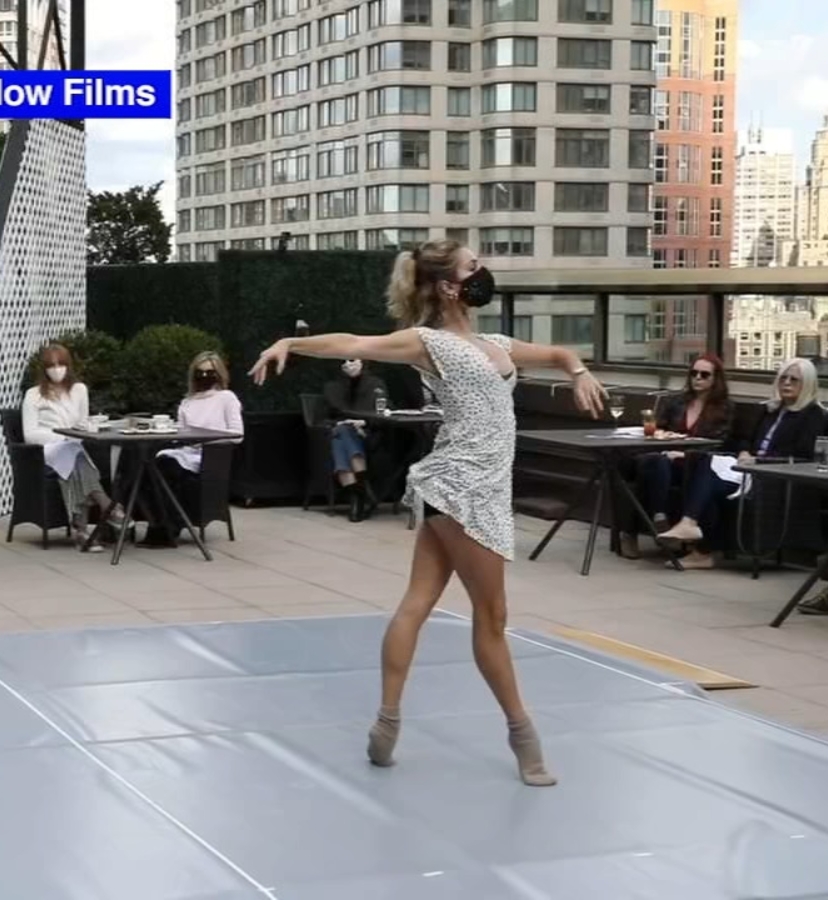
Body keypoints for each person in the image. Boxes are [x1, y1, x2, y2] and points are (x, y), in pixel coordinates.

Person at [249, 239, 607, 787]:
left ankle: (387, 724)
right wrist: (289, 342)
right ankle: (523, 737)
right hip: (463, 484)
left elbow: (559, 355)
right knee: (492, 619)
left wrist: (579, 370)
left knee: (418, 602)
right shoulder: (428, 342)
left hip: (474, 485)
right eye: (472, 266)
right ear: (447, 285)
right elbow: (354, 342)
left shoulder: (494, 342)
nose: (482, 272)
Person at [655, 358, 826, 569]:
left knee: (706, 477)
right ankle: (700, 547)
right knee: (702, 466)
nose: (786, 384)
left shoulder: (813, 415)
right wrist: (745, 451)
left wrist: (759, 460)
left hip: (773, 477)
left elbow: (803, 455)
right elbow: (748, 439)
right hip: (746, 469)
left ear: (807, 384)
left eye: (794, 380)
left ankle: (694, 534)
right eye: (783, 378)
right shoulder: (771, 409)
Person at [617, 353, 731, 559]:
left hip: (692, 464)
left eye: (704, 375)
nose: (697, 378)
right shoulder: (676, 402)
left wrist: (683, 453)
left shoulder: (725, 409)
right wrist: (660, 438)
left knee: (651, 467)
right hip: (664, 458)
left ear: (716, 380)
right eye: (694, 373)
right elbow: (657, 429)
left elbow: (719, 444)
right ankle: (660, 520)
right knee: (654, 463)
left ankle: (635, 530)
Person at [20, 344, 124, 552]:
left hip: (74, 448)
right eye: (51, 365)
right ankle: (110, 508)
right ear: (44, 369)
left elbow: (82, 423)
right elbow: (29, 434)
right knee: (72, 455)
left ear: (68, 366)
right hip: (47, 450)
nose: (56, 369)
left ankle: (82, 532)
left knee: (74, 459)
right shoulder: (34, 395)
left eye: (60, 364)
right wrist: (60, 437)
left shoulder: (79, 390)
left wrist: (79, 432)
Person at [138, 351, 244, 548]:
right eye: (200, 372)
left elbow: (237, 434)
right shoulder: (188, 402)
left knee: (166, 468)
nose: (204, 377)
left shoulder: (226, 398)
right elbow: (181, 432)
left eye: (209, 372)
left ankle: (168, 527)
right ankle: (158, 524)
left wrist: (204, 437)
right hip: (186, 452)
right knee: (147, 468)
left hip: (211, 457)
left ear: (218, 373)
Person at [324, 358, 386, 522]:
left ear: (362, 361)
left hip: (368, 432)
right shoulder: (333, 386)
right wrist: (344, 422)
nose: (347, 364)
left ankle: (357, 495)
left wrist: (363, 423)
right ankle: (361, 494)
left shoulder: (375, 384)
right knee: (343, 432)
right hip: (343, 430)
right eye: (343, 362)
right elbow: (330, 413)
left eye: (352, 360)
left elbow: (383, 410)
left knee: (341, 439)